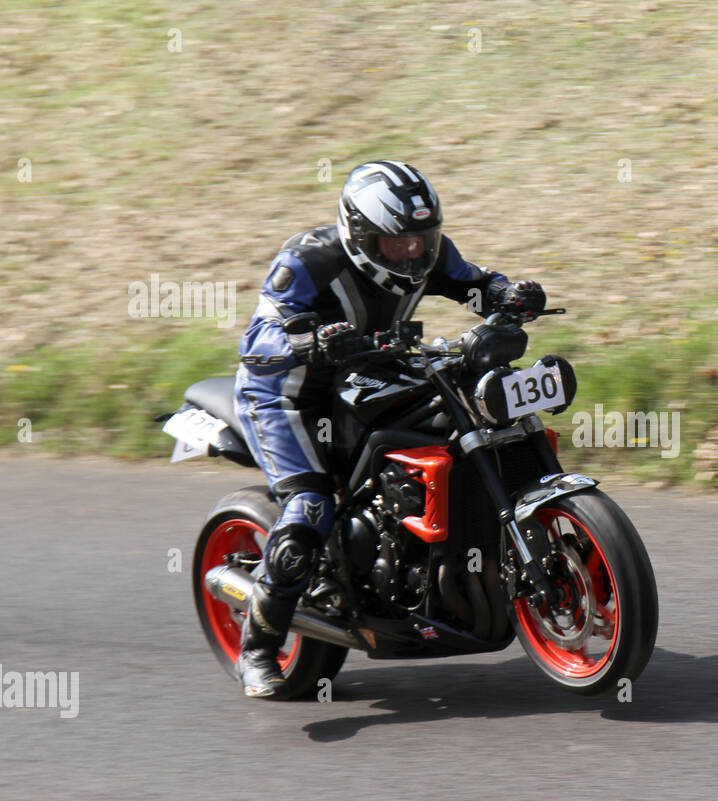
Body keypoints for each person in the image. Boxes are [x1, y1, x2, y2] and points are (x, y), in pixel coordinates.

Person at [232, 160, 545, 697]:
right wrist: (309, 344)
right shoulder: (306, 261)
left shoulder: (429, 254)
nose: (411, 255)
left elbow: (472, 284)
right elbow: (256, 341)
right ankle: (258, 648)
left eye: (421, 242)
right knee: (309, 509)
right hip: (287, 396)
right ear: (358, 234)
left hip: (367, 375)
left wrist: (508, 294)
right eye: (396, 244)